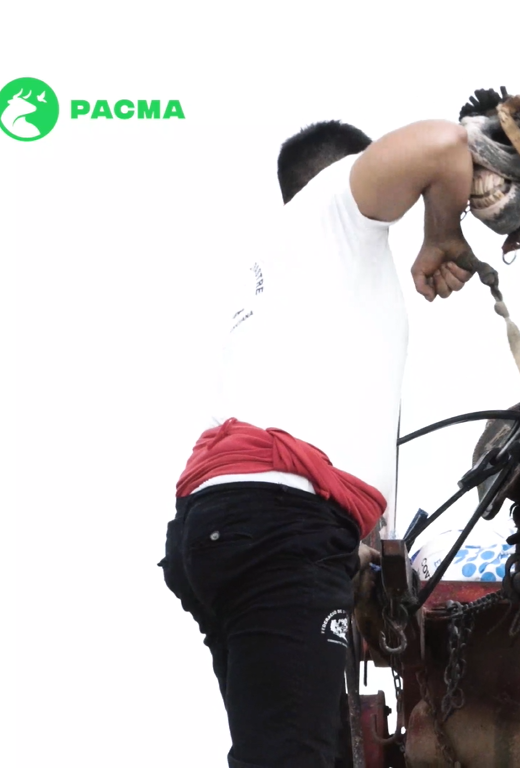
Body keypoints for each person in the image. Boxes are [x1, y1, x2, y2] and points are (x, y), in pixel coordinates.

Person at [159, 118, 477, 767]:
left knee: (320, 751)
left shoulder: (292, 269)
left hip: (253, 525)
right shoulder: (336, 205)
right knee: (294, 755)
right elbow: (444, 144)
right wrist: (442, 234)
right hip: (281, 526)